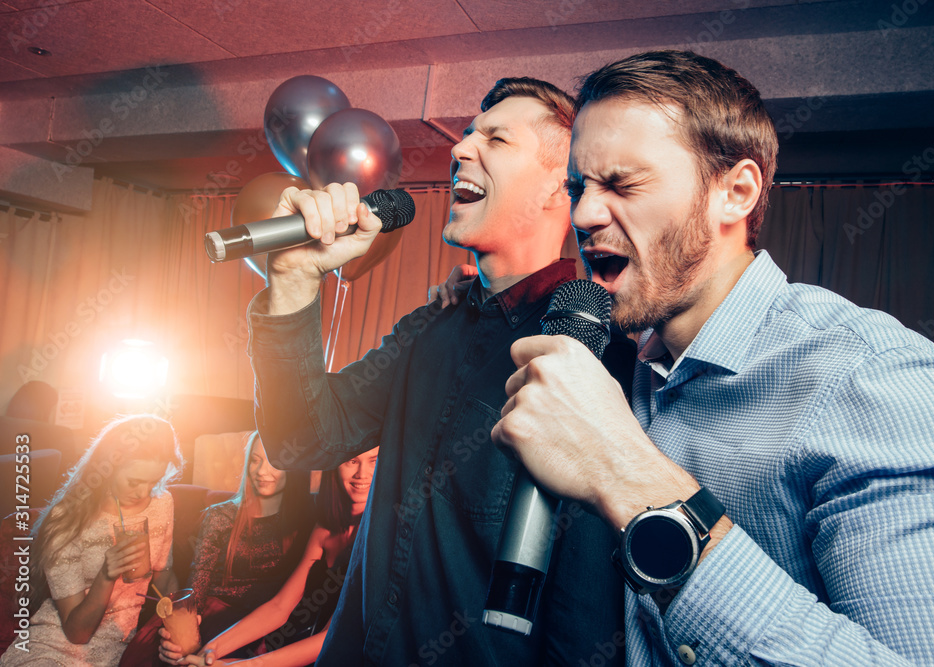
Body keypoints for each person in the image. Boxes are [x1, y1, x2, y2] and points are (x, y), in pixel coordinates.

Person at [490, 50, 934, 665]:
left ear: (735, 192)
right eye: (578, 187)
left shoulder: (874, 381)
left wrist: (629, 476)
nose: (584, 214)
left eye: (622, 184)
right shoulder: (633, 365)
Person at [248, 77, 627, 665]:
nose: (459, 148)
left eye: (496, 139)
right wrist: (295, 282)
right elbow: (302, 437)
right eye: (469, 133)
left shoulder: (593, 353)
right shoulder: (430, 327)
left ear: (562, 185)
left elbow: (585, 624)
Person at [158, 448, 379, 666]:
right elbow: (280, 606)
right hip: (297, 642)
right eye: (351, 461)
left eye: (374, 460)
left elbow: (333, 635)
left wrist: (242, 665)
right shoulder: (324, 529)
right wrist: (210, 650)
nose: (362, 473)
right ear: (336, 463)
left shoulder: (380, 536)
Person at [0, 414, 183, 666]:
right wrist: (106, 575)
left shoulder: (162, 504)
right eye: (134, 482)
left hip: (119, 646)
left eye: (152, 483)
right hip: (56, 645)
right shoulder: (66, 519)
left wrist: (182, 619)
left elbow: (164, 576)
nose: (143, 493)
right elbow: (77, 634)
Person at [120, 431, 313, 665]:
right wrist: (184, 631)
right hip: (212, 615)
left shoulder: (307, 519)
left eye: (274, 462)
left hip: (263, 624)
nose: (262, 471)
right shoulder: (220, 516)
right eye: (255, 460)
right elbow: (197, 586)